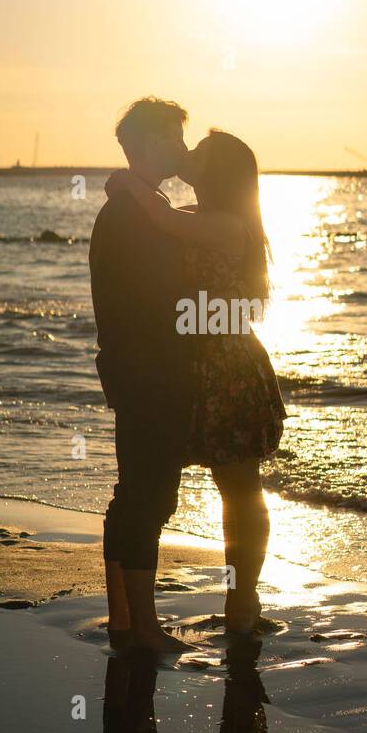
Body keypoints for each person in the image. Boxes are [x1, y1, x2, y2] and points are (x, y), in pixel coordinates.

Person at [105, 128, 286, 635]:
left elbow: (160, 218)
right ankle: (148, 613)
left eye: (201, 152)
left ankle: (242, 600)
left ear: (219, 172)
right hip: (194, 364)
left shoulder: (228, 226)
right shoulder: (203, 220)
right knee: (189, 489)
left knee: (239, 489)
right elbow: (163, 222)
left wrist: (127, 182)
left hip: (228, 367)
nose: (189, 153)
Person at [89, 97, 192, 652]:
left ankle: (125, 618)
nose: (181, 148)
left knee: (133, 494)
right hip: (149, 372)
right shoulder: (134, 215)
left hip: (131, 369)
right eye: (174, 138)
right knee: (150, 497)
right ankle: (144, 626)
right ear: (148, 144)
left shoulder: (133, 207)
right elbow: (153, 302)